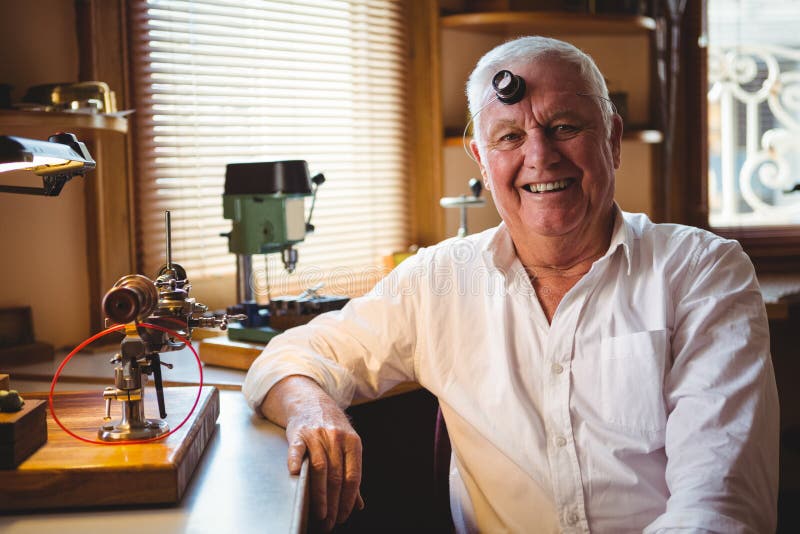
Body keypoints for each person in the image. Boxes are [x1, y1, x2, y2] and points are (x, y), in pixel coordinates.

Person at [243, 36, 779, 533]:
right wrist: (313, 409)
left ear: (612, 139)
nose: (540, 157)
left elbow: (718, 505)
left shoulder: (702, 271)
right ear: (480, 157)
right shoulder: (438, 281)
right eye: (510, 137)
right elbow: (290, 355)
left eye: (565, 126)